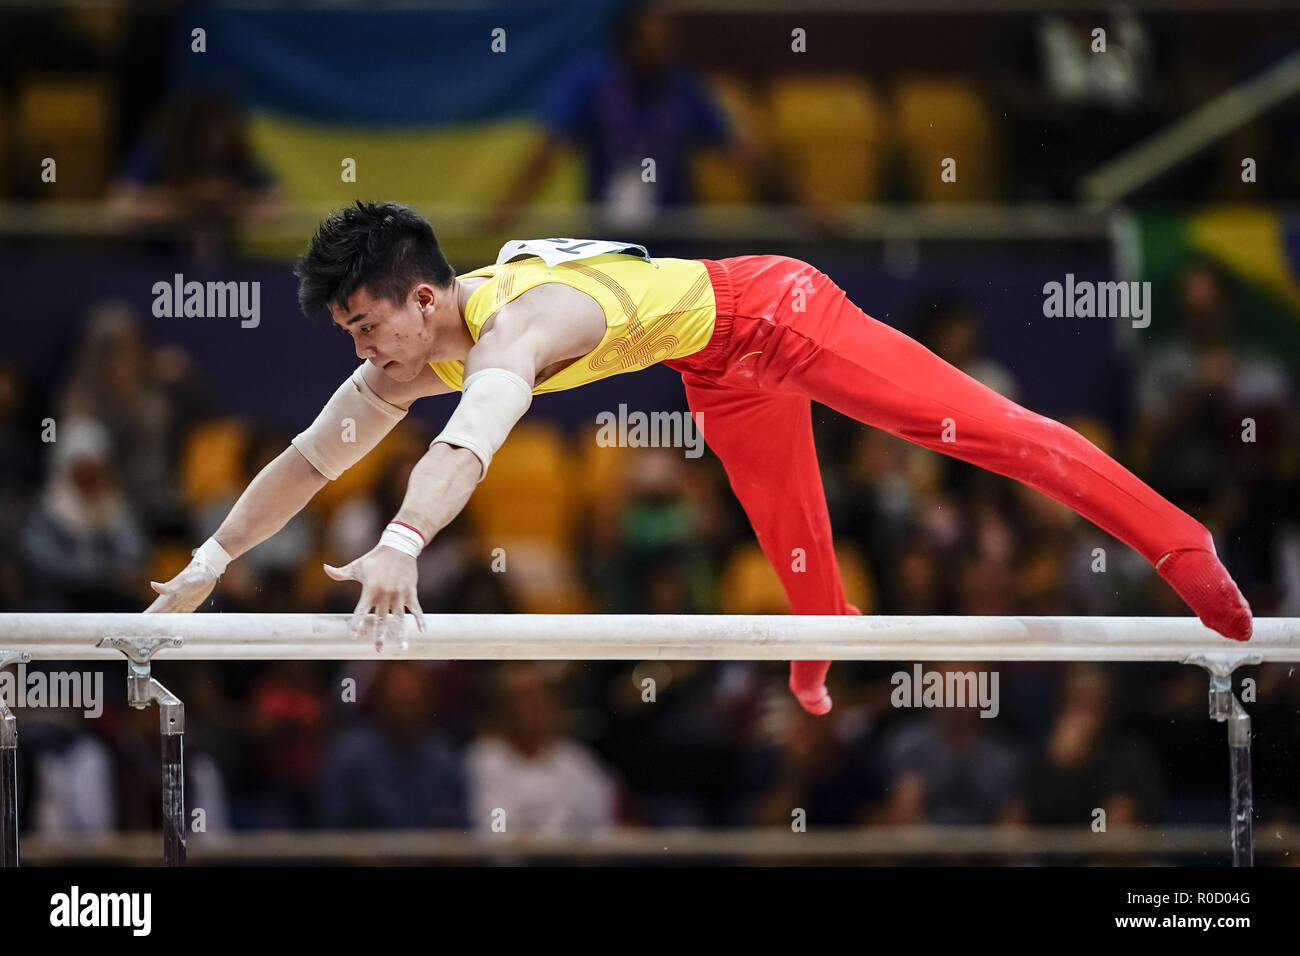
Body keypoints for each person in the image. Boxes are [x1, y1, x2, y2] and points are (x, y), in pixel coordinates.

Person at [146, 201, 1253, 716]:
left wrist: (401, 539)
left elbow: (470, 444)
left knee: (975, 429)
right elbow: (302, 462)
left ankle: (1180, 541)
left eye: (364, 322)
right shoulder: (398, 365)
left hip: (775, 307)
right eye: (345, 330)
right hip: (712, 363)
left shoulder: (517, 327)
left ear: (424, 296)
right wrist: (212, 553)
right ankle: (823, 645)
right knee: (784, 522)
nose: (359, 346)